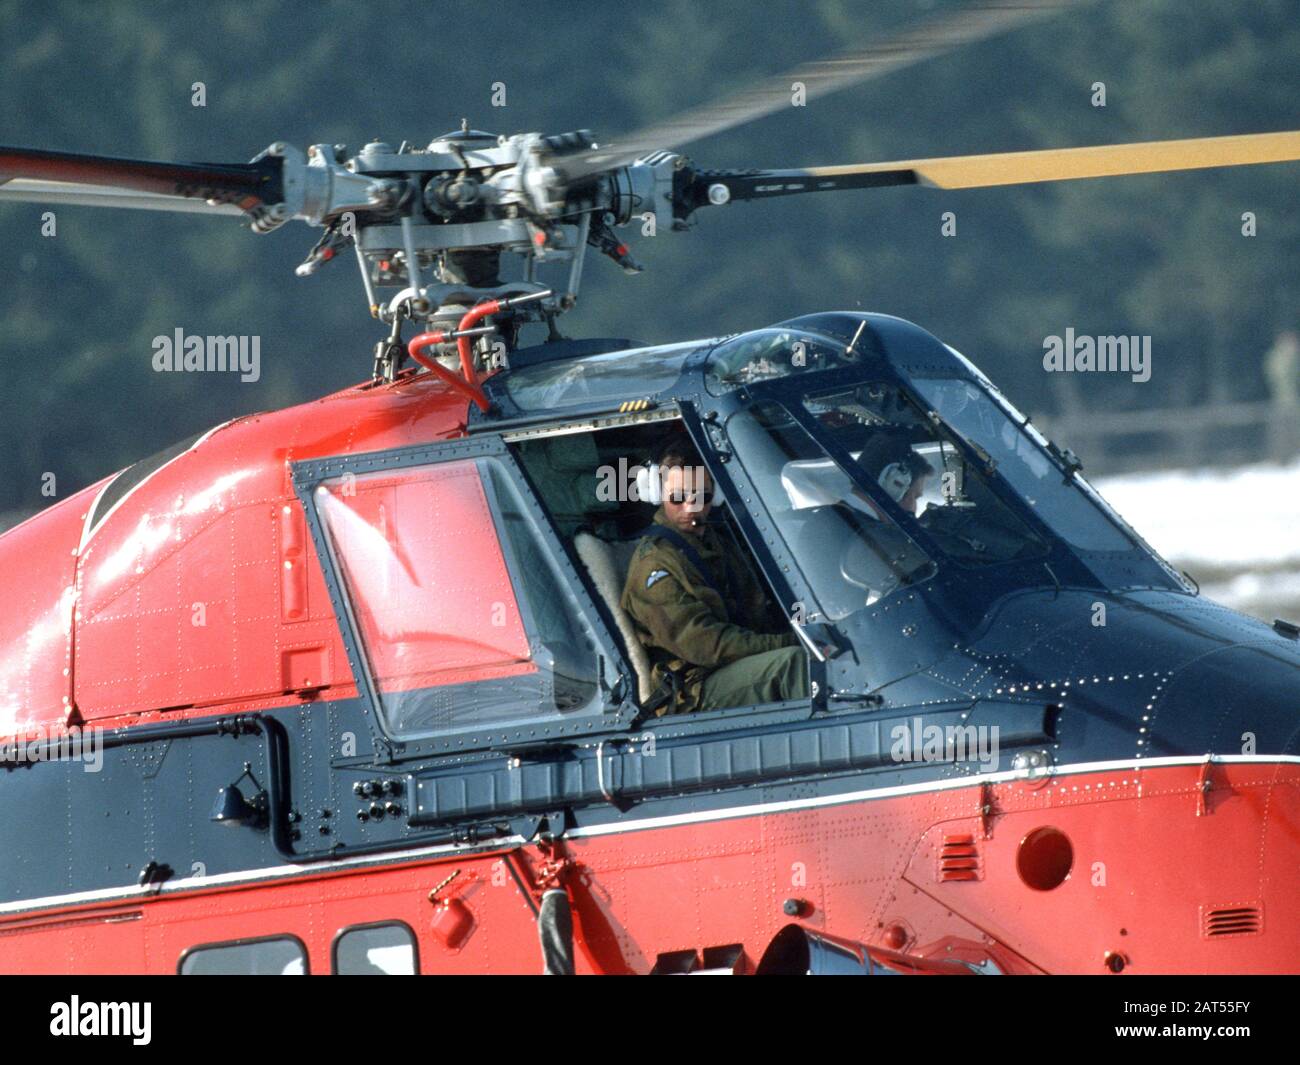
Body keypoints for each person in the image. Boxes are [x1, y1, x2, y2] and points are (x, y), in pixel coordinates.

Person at [621, 435, 808, 715]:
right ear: (657, 494)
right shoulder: (655, 564)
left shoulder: (718, 541)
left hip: (728, 666)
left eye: (702, 496)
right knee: (793, 663)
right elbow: (707, 645)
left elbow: (757, 608)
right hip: (693, 687)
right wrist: (786, 642)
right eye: (677, 497)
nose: (690, 507)